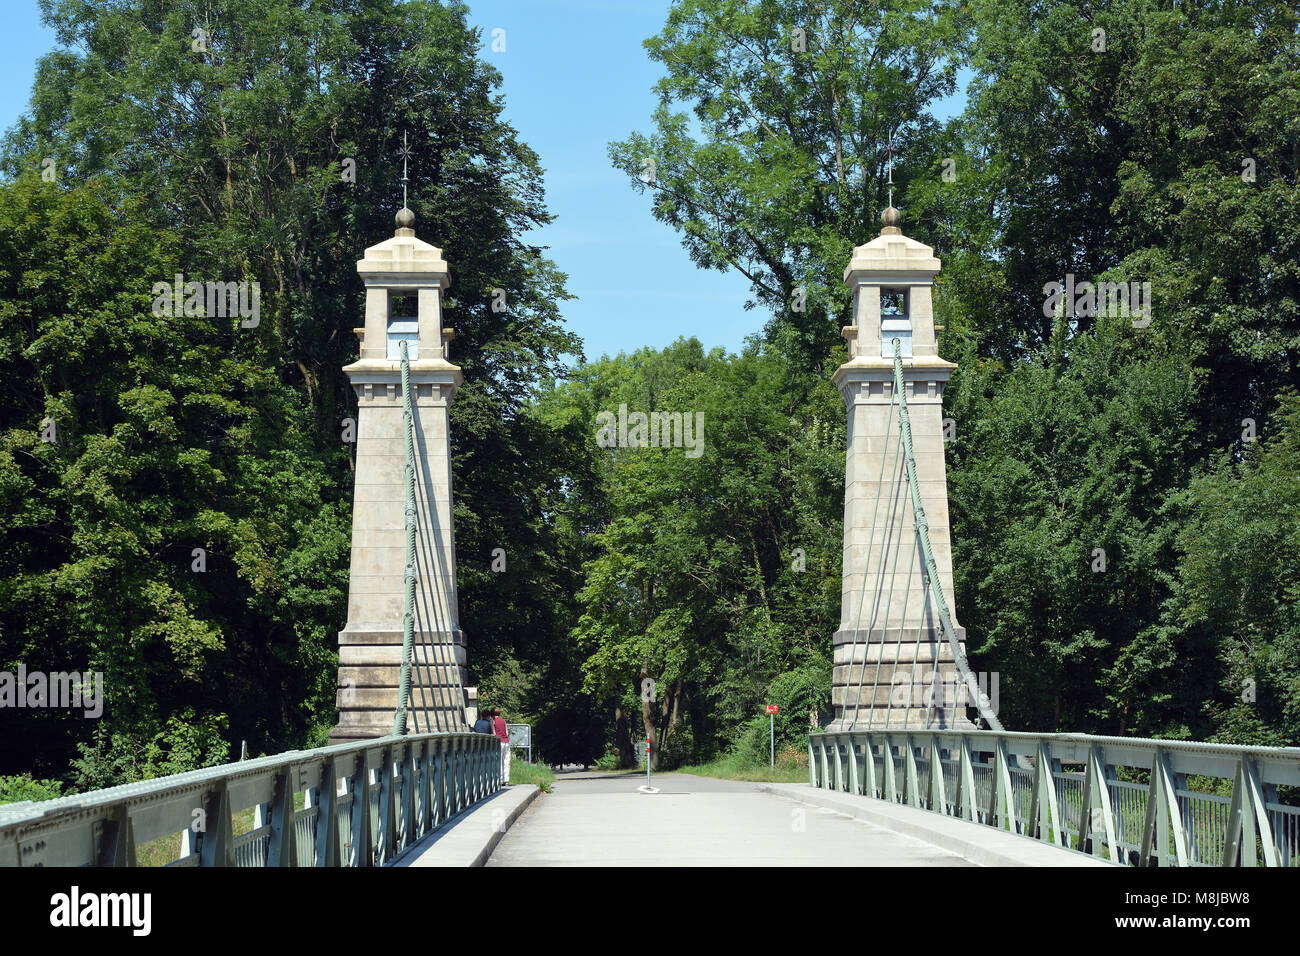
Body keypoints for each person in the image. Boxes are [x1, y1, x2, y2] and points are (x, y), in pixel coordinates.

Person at [492, 708, 511, 783]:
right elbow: (507, 733)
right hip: (506, 741)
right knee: (506, 760)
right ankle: (506, 779)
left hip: (499, 742)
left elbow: (494, 733)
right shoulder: (503, 720)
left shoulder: (493, 721)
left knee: (499, 761)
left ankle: (500, 779)